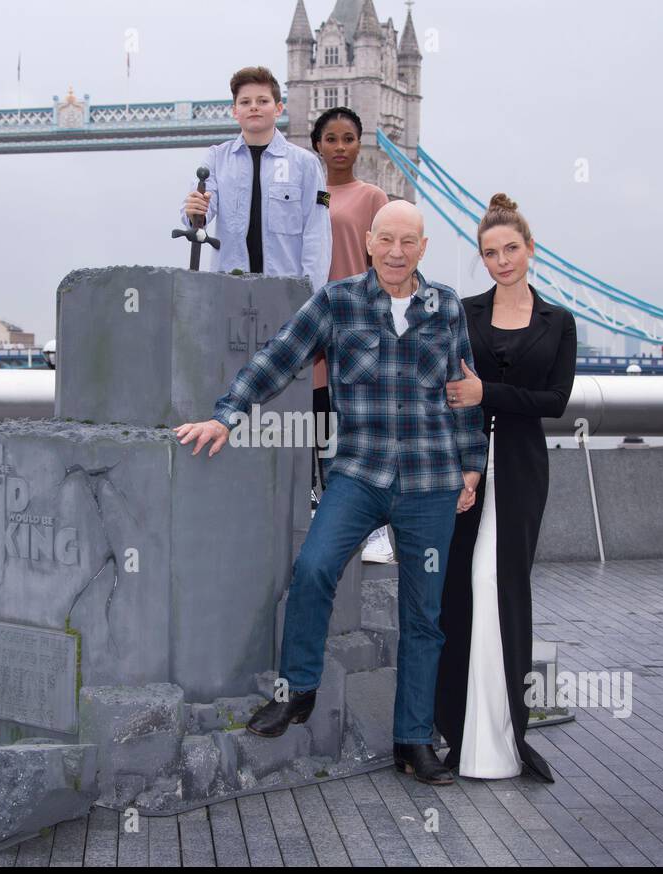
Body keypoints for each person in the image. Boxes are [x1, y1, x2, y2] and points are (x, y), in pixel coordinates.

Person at [174, 201, 486, 785]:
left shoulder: (445, 307)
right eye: (386, 239)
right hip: (359, 475)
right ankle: (300, 690)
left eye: (407, 242)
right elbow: (279, 358)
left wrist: (472, 467)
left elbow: (462, 386)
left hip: (430, 481)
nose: (396, 252)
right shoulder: (337, 301)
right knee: (314, 569)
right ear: (369, 241)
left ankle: (413, 741)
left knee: (425, 615)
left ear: (423, 247)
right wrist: (227, 415)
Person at [435, 193, 576, 784]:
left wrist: (486, 393)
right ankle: (455, 731)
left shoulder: (559, 322)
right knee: (459, 591)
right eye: (490, 253)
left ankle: (507, 734)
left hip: (519, 468)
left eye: (510, 249)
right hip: (463, 467)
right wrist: (465, 453)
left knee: (503, 586)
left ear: (530, 249)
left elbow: (555, 402)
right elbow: (446, 391)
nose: (501, 261)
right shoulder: (461, 314)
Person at [307, 106, 394, 564]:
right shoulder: (303, 191)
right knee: (317, 428)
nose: (340, 147)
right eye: (331, 139)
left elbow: (390, 260)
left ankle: (376, 533)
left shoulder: (374, 196)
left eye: (349, 138)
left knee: (361, 433)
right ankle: (317, 522)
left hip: (358, 326)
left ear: (360, 144)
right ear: (316, 143)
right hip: (310, 325)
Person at [180, 66, 331, 294]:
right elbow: (197, 216)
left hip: (286, 294)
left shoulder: (307, 164)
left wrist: (311, 294)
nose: (253, 107)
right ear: (234, 111)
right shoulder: (216, 158)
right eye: (245, 102)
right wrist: (194, 211)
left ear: (278, 108)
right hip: (228, 292)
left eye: (262, 101)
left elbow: (317, 234)